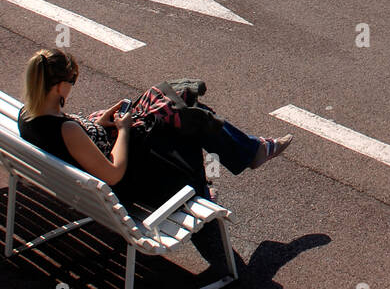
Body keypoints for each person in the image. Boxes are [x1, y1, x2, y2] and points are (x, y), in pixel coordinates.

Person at [16, 48, 291, 219]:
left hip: (98, 162)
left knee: (170, 101)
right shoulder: (65, 129)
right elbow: (113, 173)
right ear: (57, 87)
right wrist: (123, 130)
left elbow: (79, 147)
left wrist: (102, 121)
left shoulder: (28, 116)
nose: (73, 86)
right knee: (183, 116)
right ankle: (244, 156)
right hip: (127, 180)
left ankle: (250, 151)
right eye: (72, 81)